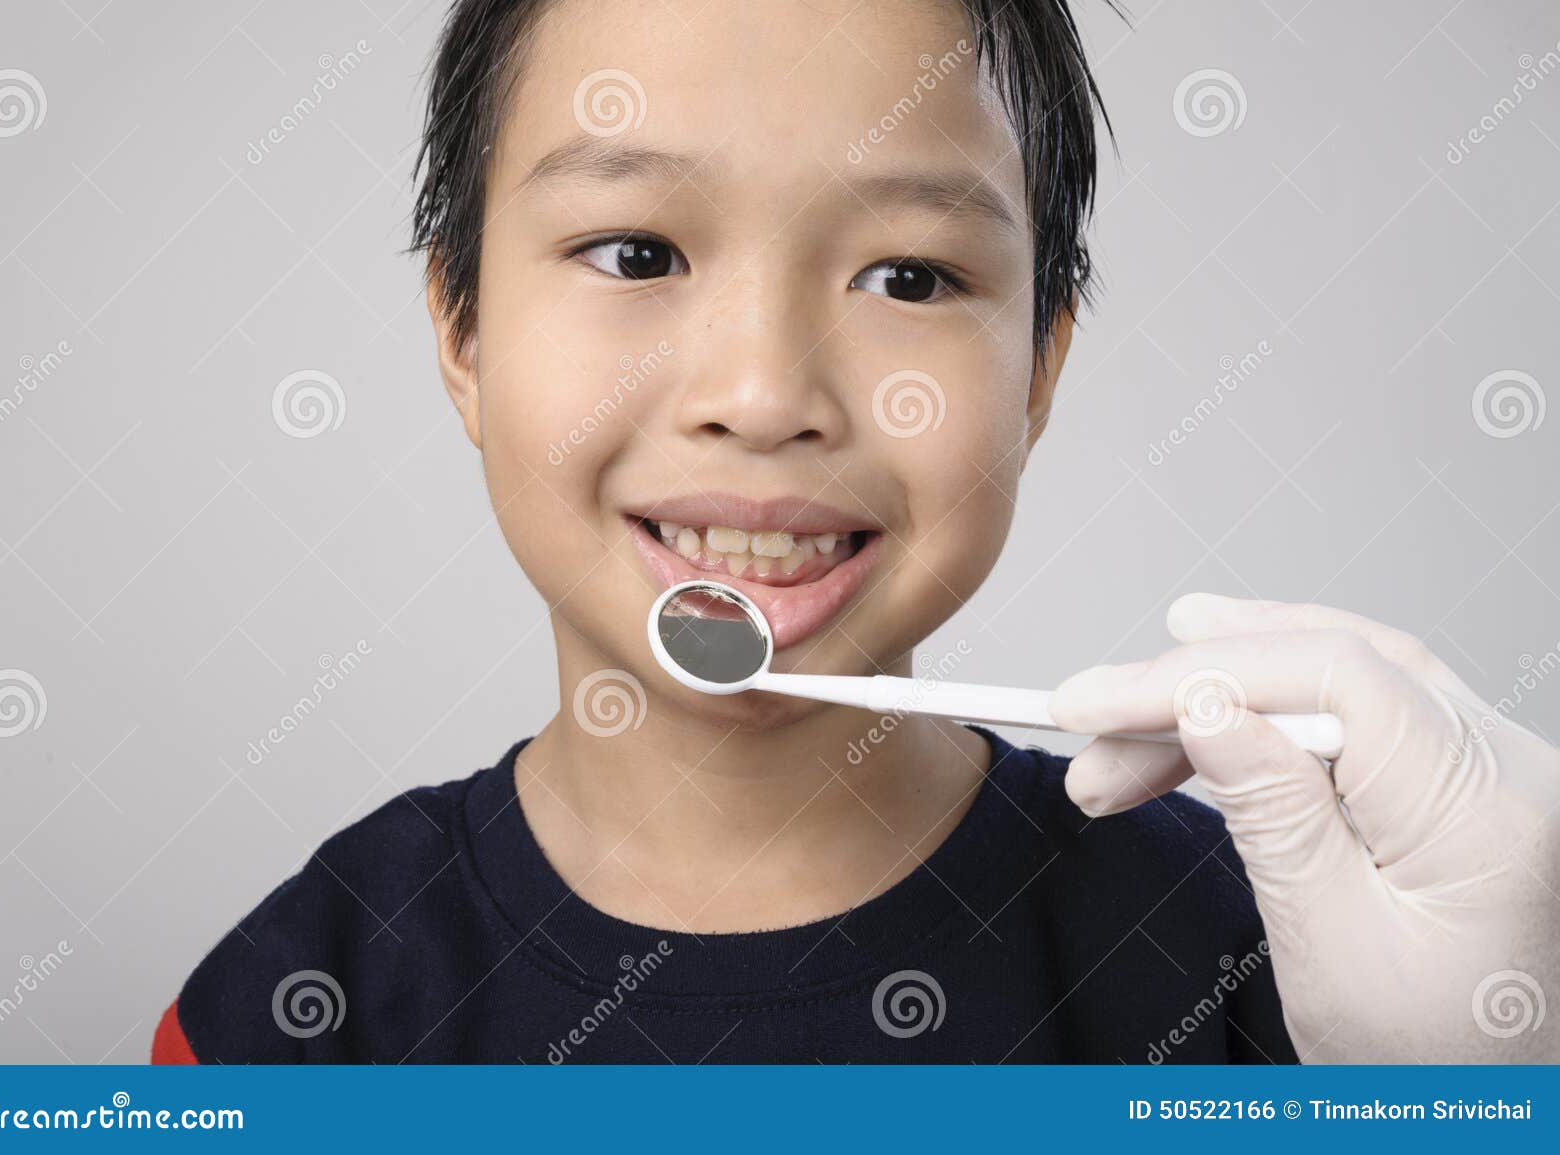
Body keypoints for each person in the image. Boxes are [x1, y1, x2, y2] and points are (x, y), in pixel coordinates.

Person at [151, 0, 1559, 1064]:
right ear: (460, 329)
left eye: (911, 273)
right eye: (638, 252)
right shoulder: (294, 1011)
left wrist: (1477, 1107)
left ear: (1039, 367)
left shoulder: (1277, 979)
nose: (764, 396)